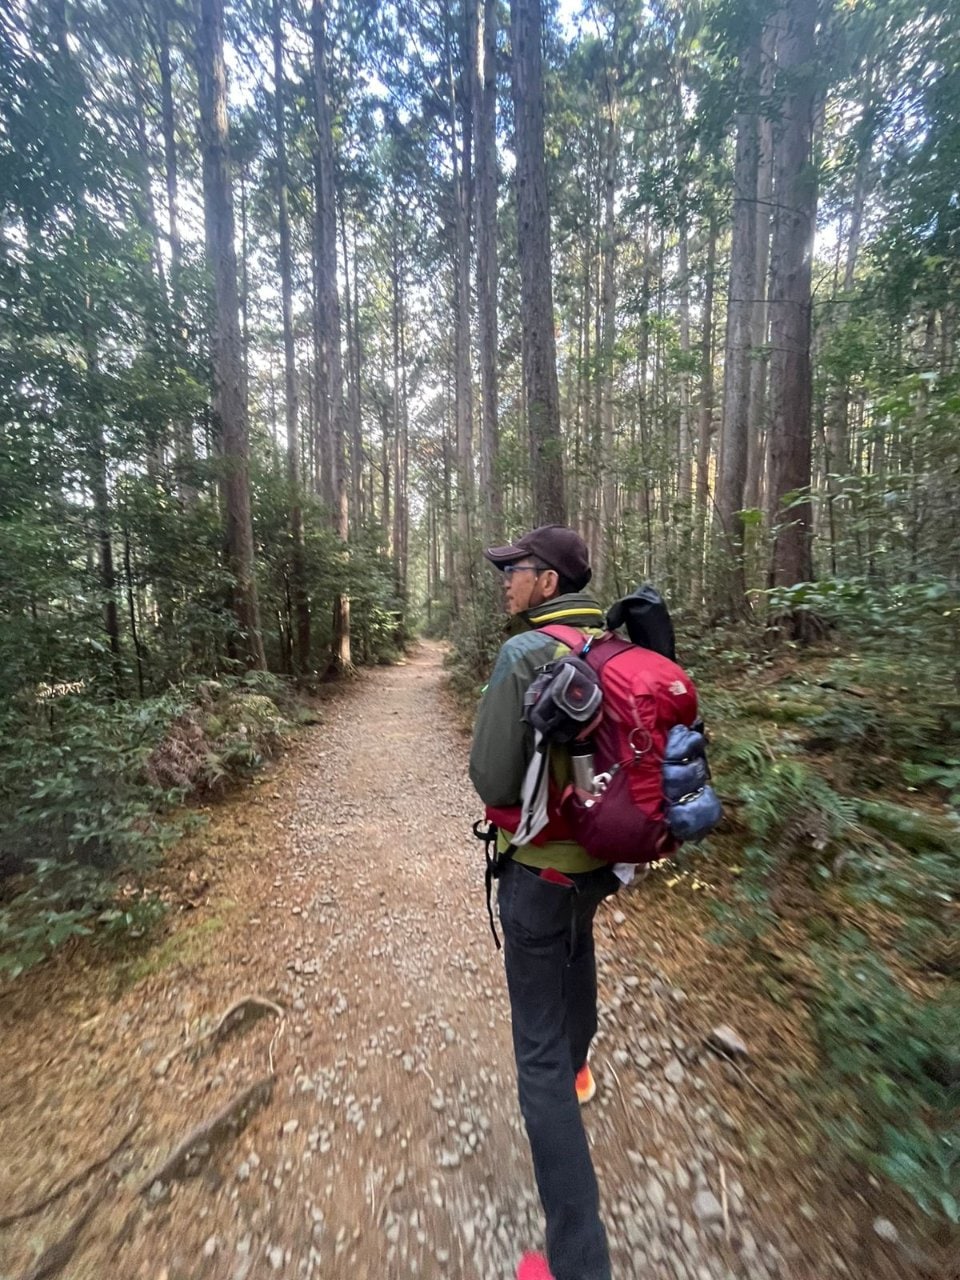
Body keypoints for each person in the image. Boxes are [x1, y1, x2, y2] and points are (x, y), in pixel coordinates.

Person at [469, 525, 620, 1280]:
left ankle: (578, 1262)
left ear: (549, 582)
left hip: (539, 871)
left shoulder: (524, 654)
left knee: (536, 1060)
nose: (505, 580)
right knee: (578, 949)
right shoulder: (624, 646)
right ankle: (583, 1067)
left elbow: (494, 781)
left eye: (515, 570)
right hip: (604, 864)